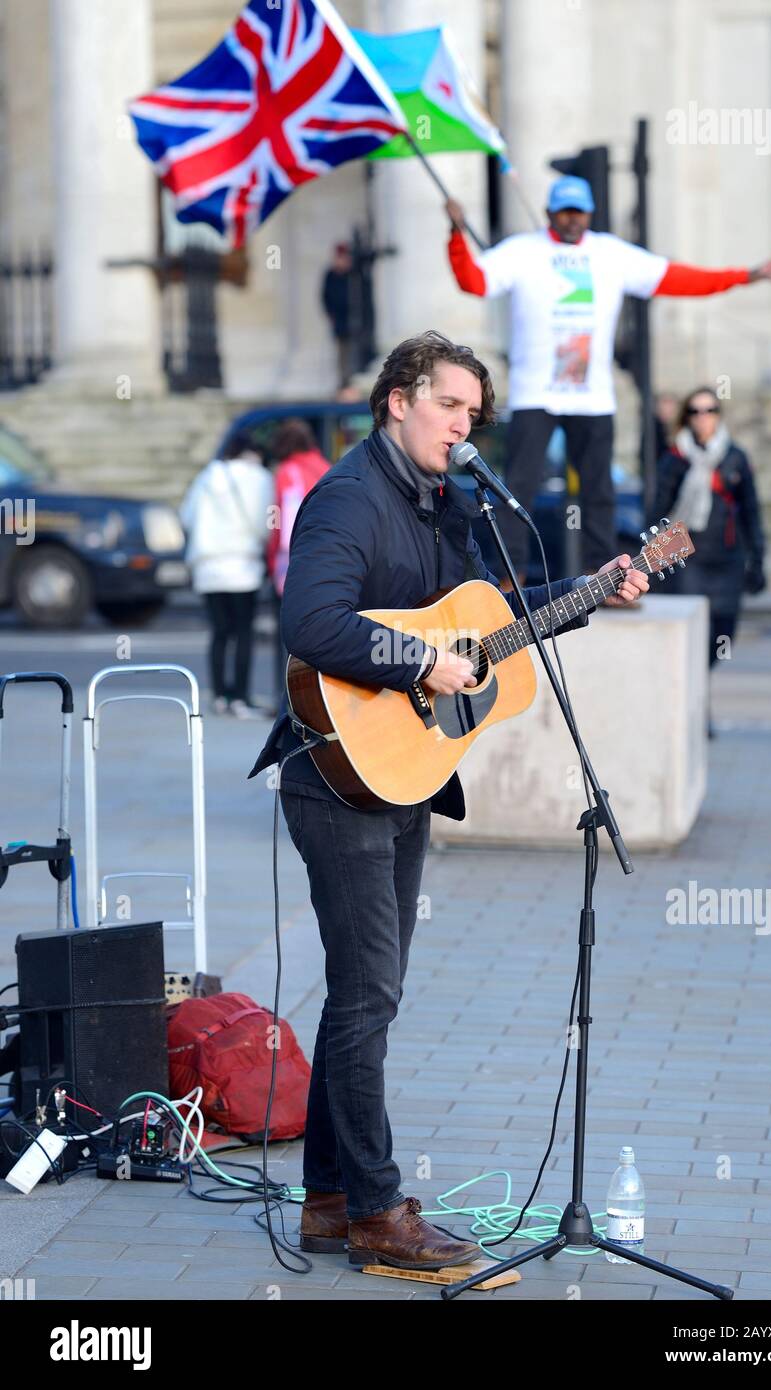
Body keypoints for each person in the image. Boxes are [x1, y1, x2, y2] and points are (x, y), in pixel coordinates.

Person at [249, 329, 648, 1271]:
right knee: (370, 995)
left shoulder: (446, 506)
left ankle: (328, 1199)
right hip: (335, 777)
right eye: (449, 406)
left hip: (404, 772)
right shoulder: (348, 498)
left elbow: (487, 628)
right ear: (398, 400)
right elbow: (312, 622)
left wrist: (590, 592)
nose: (464, 427)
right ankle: (380, 1215)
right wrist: (418, 658)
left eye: (475, 414)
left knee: (364, 996)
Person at [445, 174, 771, 578]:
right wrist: (457, 234)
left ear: (590, 215)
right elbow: (473, 281)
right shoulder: (521, 251)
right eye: (565, 212)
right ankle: (508, 578)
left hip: (591, 396)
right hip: (537, 393)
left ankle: (603, 578)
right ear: (550, 213)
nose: (572, 220)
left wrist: (743, 276)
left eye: (579, 212)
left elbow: (678, 278)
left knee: (599, 494)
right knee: (517, 489)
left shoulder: (611, 254)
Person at [656, 385, 766, 672]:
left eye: (710, 410)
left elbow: (751, 512)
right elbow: (657, 512)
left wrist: (758, 559)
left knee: (723, 636)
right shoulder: (675, 458)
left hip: (728, 559)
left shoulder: (735, 457)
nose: (703, 417)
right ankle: (691, 702)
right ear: (687, 417)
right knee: (690, 638)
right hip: (689, 560)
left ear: (718, 415)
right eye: (695, 411)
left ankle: (698, 686)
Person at [180, 431, 274, 719]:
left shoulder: (207, 476)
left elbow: (186, 515)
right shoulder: (259, 477)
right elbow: (266, 521)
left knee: (220, 632)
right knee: (244, 632)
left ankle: (220, 695)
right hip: (242, 566)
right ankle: (241, 696)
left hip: (208, 566)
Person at [266, 418, 332, 701]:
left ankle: (288, 698)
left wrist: (273, 561)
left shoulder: (288, 471)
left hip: (294, 564)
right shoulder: (326, 468)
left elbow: (284, 523)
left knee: (288, 636)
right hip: (330, 562)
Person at [321, 242, 354, 390]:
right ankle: (344, 382)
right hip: (340, 321)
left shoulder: (353, 275)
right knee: (342, 352)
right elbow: (325, 297)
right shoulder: (331, 275)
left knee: (353, 351)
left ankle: (351, 379)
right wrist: (331, 315)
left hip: (354, 320)